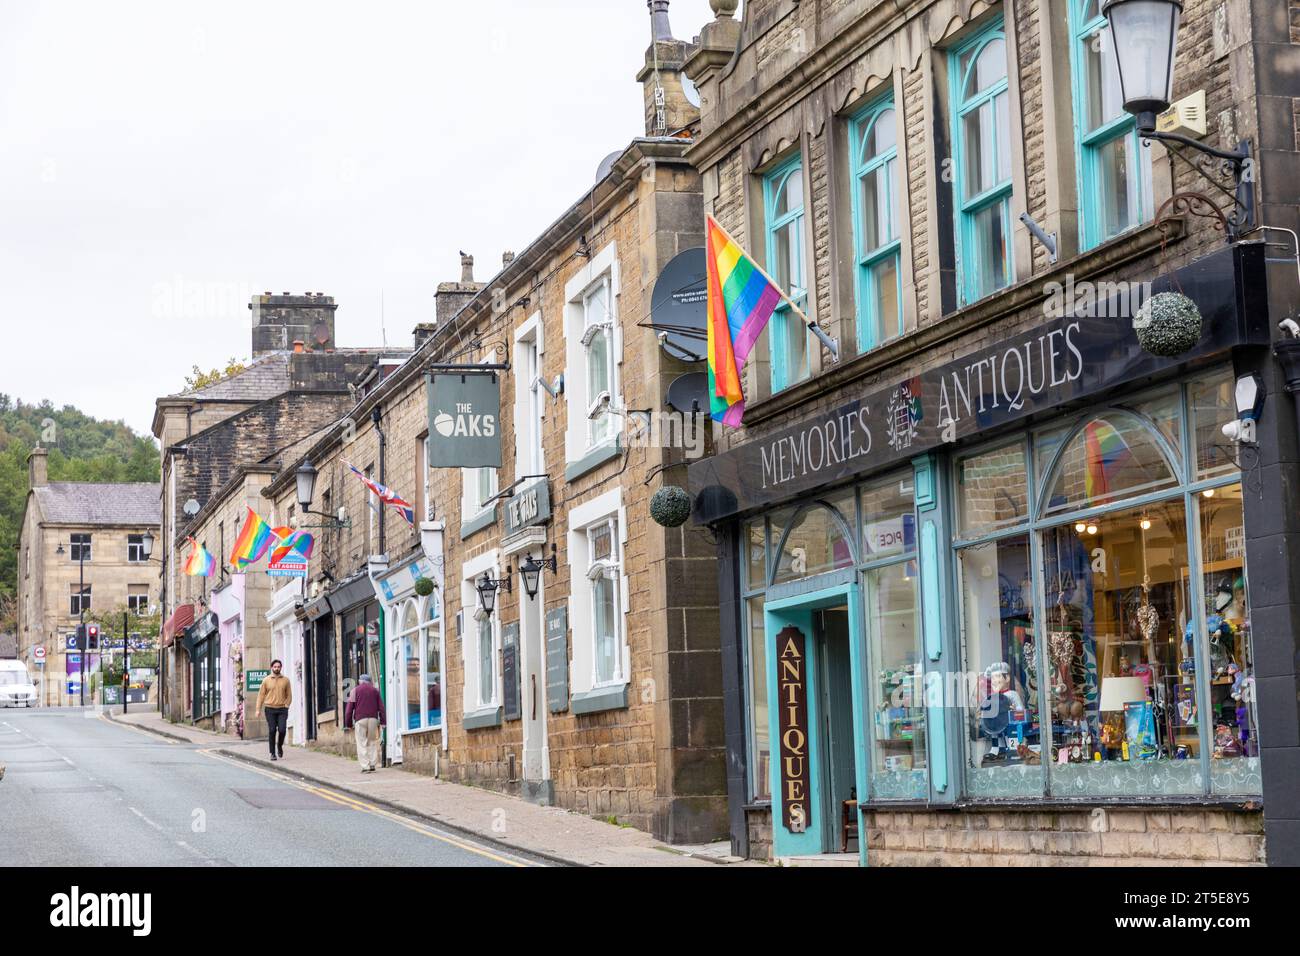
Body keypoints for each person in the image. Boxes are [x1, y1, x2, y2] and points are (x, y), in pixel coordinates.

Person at [344, 674, 385, 773]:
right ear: (369, 682)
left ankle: (365, 766)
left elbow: (349, 710)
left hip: (360, 719)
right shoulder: (375, 691)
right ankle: (372, 764)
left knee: (361, 742)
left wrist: (348, 724)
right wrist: (383, 722)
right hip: (373, 719)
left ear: (360, 681)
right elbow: (381, 708)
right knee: (371, 741)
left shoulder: (354, 691)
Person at [255, 660, 292, 761]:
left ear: (281, 667)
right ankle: (272, 753)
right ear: (271, 667)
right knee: (272, 730)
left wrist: (286, 705)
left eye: (278, 667)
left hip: (282, 710)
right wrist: (258, 709)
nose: (277, 668)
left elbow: (289, 695)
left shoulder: (286, 680)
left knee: (282, 730)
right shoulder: (266, 680)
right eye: (275, 666)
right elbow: (261, 695)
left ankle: (279, 746)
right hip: (270, 709)